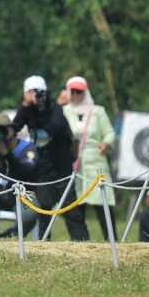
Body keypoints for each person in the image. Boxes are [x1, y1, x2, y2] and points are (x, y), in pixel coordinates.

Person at [8, 75, 75, 235]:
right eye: (31, 92)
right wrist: (24, 106)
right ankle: (44, 246)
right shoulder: (27, 110)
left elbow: (51, 129)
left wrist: (43, 108)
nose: (36, 96)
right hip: (43, 170)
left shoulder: (55, 108)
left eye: (39, 92)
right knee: (44, 212)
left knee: (73, 213)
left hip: (62, 169)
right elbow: (14, 127)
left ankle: (83, 244)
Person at [62, 76, 117, 242]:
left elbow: (110, 132)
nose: (76, 94)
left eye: (80, 91)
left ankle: (112, 241)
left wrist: (106, 143)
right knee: (77, 203)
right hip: (74, 163)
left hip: (96, 162)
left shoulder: (97, 111)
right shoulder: (64, 111)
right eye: (73, 91)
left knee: (103, 201)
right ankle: (81, 241)